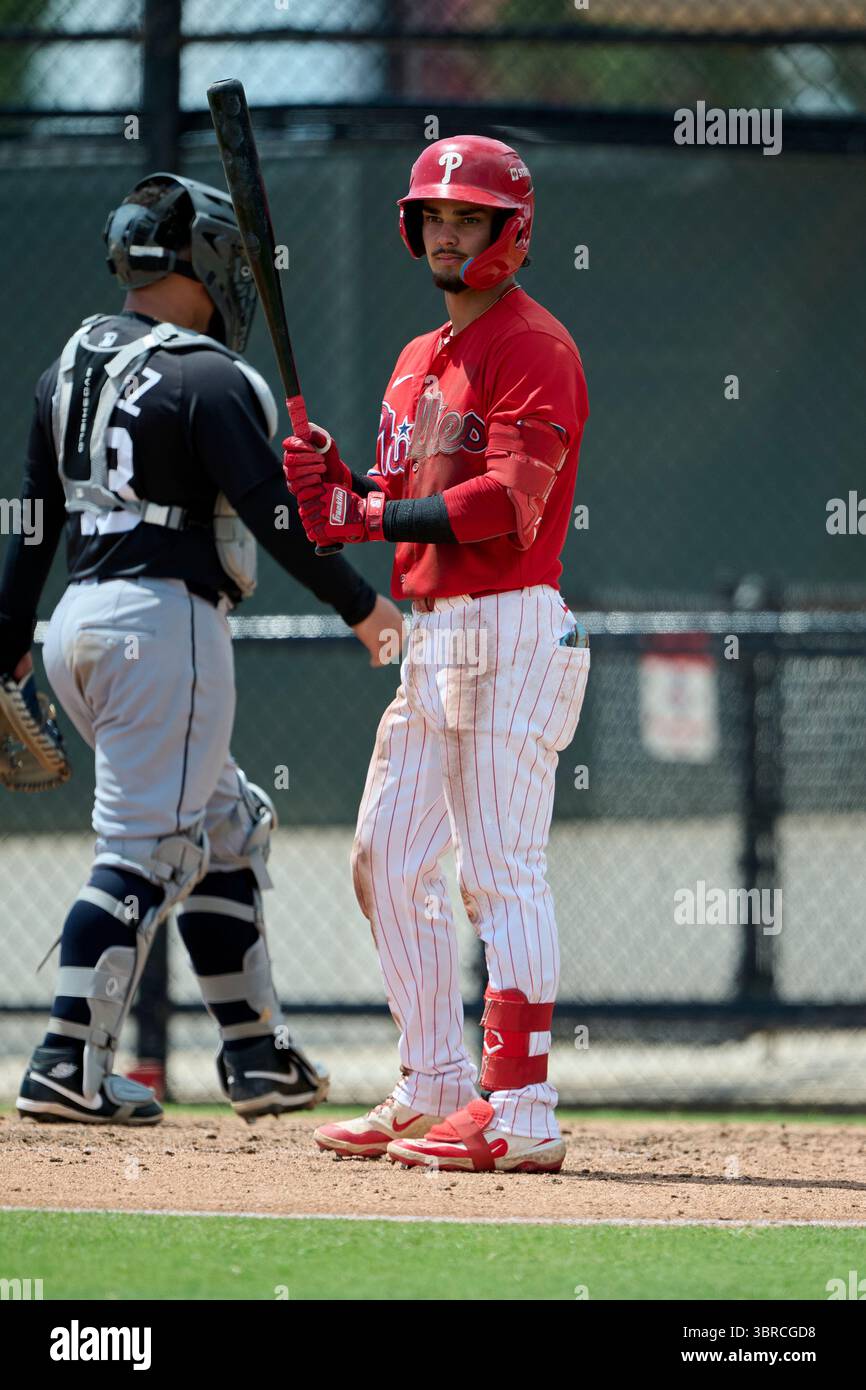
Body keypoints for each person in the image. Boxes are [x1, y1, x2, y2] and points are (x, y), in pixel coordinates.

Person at [0, 172, 401, 1125]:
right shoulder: (208, 376)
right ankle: (67, 1058)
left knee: (228, 826)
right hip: (164, 629)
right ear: (207, 265)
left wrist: (8, 644)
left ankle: (256, 1055)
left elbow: (29, 526)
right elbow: (275, 515)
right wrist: (363, 607)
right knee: (153, 847)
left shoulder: (69, 370)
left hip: (77, 629)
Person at [283, 136, 590, 1173]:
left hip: (509, 619)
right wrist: (335, 480)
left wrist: (366, 514)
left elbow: (508, 503)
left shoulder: (533, 343)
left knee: (499, 872)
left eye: (468, 217)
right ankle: (436, 1082)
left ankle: (524, 1110)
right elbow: (388, 491)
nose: (447, 232)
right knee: (385, 856)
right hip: (434, 636)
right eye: (434, 217)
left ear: (512, 232)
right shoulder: (419, 358)